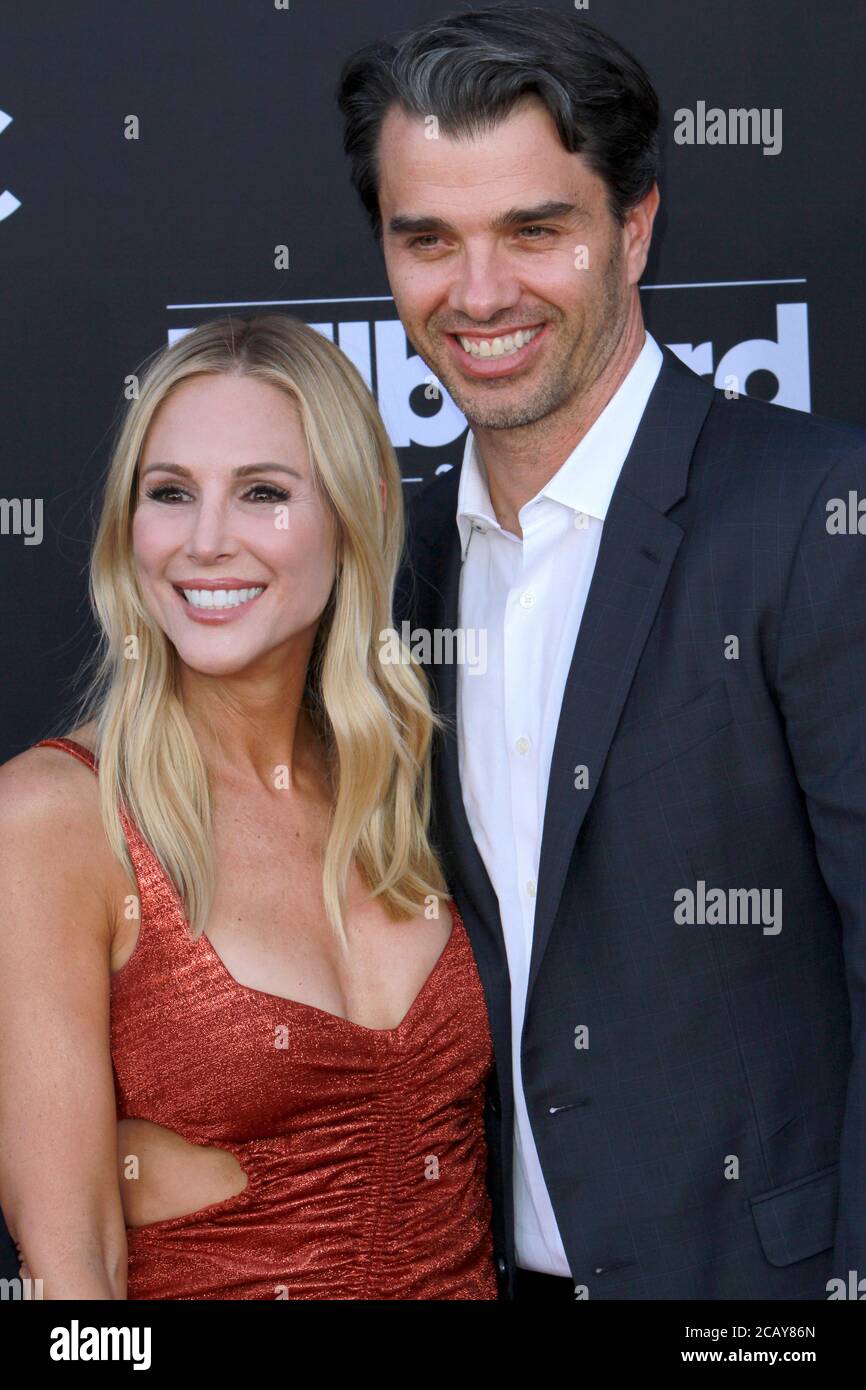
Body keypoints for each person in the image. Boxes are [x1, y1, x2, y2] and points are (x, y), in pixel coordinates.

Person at [336, 5, 866, 1299]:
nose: (476, 294)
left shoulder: (810, 517)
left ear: (632, 228)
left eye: (532, 230)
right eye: (427, 240)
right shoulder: (394, 562)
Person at [0, 313, 499, 1300]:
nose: (206, 541)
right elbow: (70, 1274)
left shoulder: (410, 776)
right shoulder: (56, 820)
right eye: (170, 494)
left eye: (263, 493)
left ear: (349, 519)